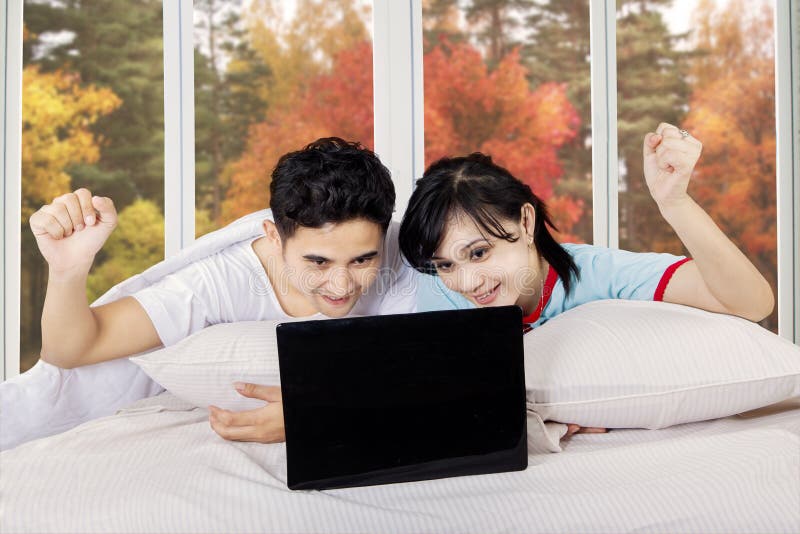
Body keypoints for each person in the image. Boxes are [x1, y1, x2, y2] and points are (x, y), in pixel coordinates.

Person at [30, 137, 417, 444]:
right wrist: (68, 270)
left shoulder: (412, 256)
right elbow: (71, 350)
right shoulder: (218, 280)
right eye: (318, 262)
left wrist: (327, 407)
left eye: (362, 260)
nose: (342, 285)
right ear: (274, 238)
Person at [398, 122, 775, 436]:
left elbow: (751, 303)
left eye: (479, 253)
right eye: (445, 264)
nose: (465, 282)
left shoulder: (597, 274)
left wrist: (674, 203)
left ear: (526, 222)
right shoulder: (438, 289)